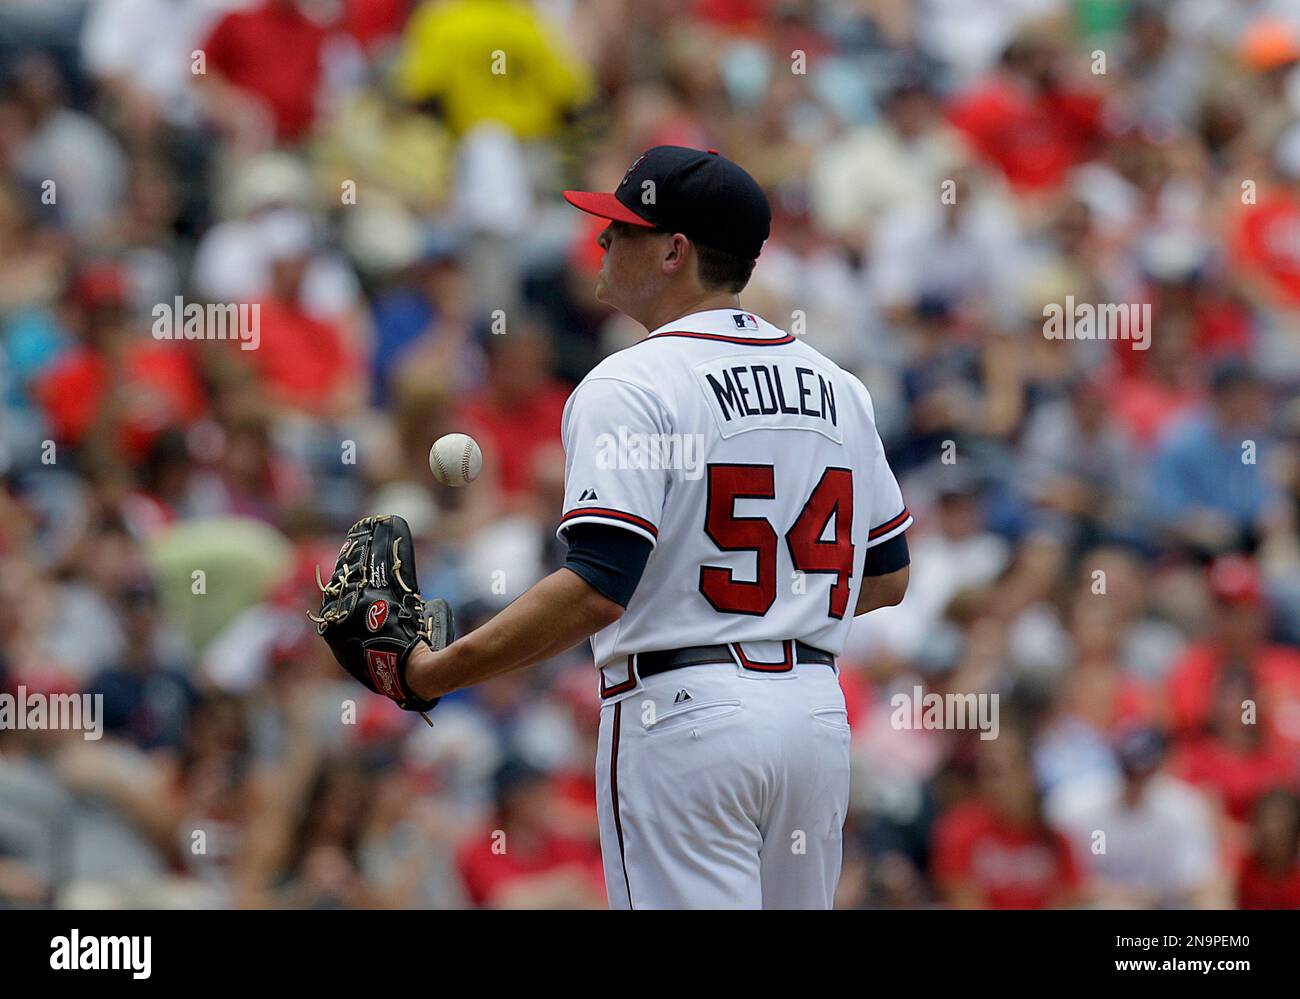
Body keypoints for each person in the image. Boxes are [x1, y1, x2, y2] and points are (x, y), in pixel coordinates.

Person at [404, 146, 911, 908]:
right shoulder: (837, 385)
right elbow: (889, 576)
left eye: (623, 229)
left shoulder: (630, 379)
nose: (602, 243)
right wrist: (776, 611)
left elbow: (598, 588)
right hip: (812, 713)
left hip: (683, 715)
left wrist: (434, 670)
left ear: (675, 251)